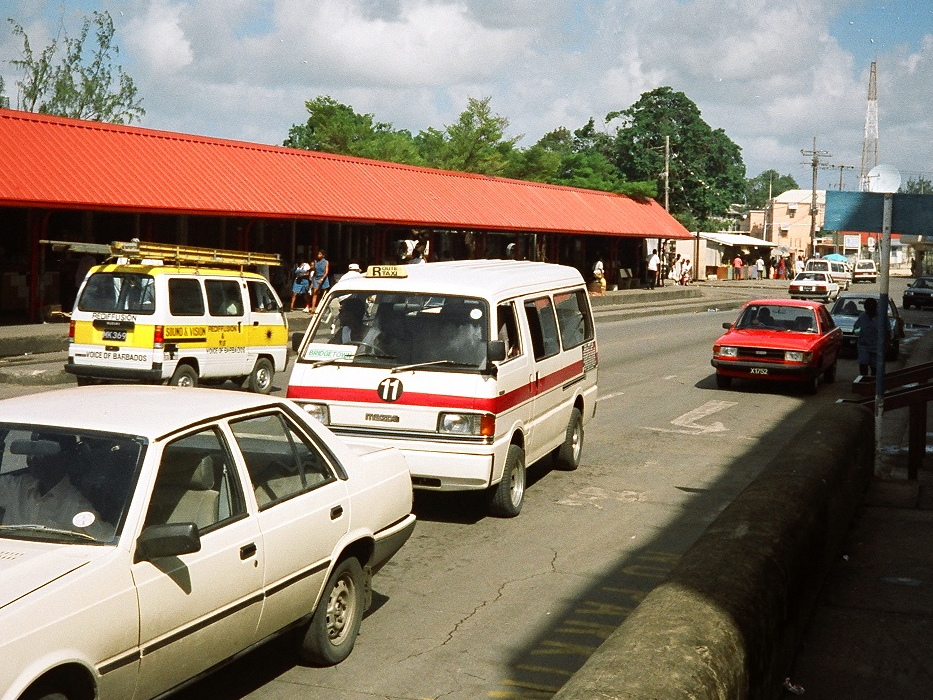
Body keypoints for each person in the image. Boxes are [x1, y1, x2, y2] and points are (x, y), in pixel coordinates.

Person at [0, 433, 109, 539]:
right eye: (34, 454)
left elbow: (107, 538)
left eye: (45, 455)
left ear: (64, 459)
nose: (35, 460)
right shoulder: (16, 486)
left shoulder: (75, 506)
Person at [853, 297, 880, 376]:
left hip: (877, 346)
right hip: (864, 345)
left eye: (872, 310)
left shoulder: (882, 317)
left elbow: (887, 331)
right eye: (868, 310)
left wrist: (887, 344)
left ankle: (874, 383)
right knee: (863, 363)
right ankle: (864, 380)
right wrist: (857, 332)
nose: (870, 312)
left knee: (875, 367)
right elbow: (856, 329)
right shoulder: (862, 317)